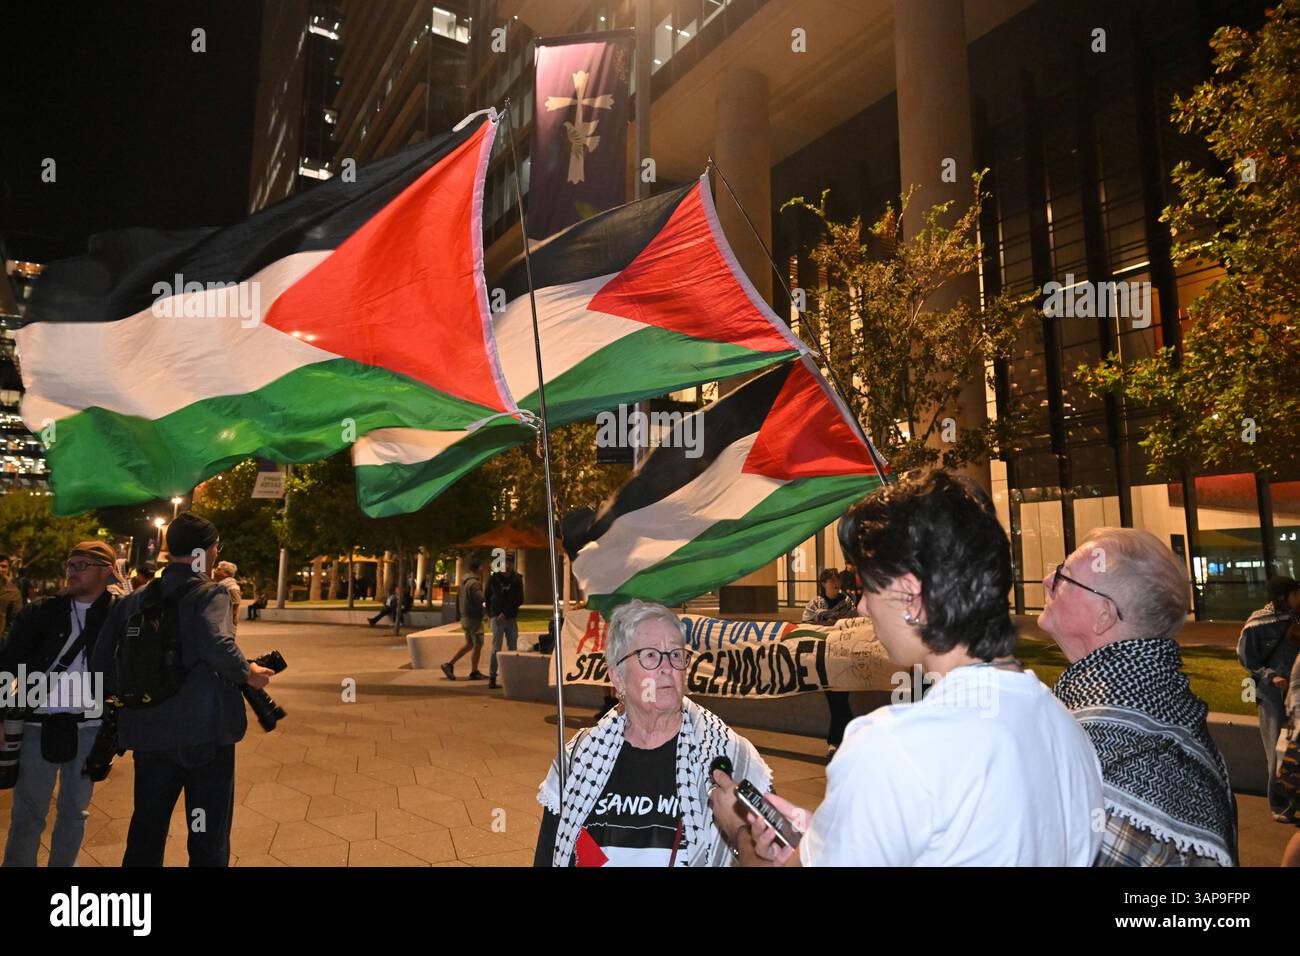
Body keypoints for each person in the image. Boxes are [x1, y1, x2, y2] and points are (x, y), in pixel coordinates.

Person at [714, 470, 1104, 866]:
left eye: (868, 587)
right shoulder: (1068, 730)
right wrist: (833, 835)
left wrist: (739, 833)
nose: (863, 607)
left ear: (910, 597)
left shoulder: (891, 745)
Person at [1041, 527, 1236, 866]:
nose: (1047, 580)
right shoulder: (1157, 708)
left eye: (1063, 576)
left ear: (1104, 614)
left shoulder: (1116, 746)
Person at [91, 512, 274, 867]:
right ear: (204, 553)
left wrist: (131, 700)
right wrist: (247, 672)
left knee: (147, 828)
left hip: (147, 733)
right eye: (215, 548)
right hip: (203, 736)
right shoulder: (211, 594)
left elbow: (102, 659)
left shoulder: (135, 600)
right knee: (206, 831)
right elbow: (218, 642)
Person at [534, 599, 773, 866]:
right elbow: (549, 856)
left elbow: (772, 854)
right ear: (617, 678)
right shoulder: (579, 759)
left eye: (676, 654)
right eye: (650, 655)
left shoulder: (730, 758)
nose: (667, 667)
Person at [0, 542, 120, 867]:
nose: (72, 571)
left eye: (82, 565)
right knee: (28, 813)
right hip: (38, 723)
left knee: (75, 813)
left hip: (90, 727)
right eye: (71, 564)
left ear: (106, 570)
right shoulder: (41, 611)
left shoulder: (119, 614)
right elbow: (7, 663)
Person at [1238, 576, 1300, 821]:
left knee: (1295, 749)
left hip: (1296, 695)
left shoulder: (1296, 617)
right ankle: (1278, 804)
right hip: (1272, 696)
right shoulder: (1257, 623)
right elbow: (1246, 659)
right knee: (1276, 749)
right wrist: (1270, 675)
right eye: (1296, 593)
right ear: (1283, 596)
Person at [803, 567, 857, 757]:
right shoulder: (814, 604)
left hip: (843, 657)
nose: (836, 584)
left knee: (840, 699)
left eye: (837, 580)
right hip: (824, 658)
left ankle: (835, 742)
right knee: (835, 700)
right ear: (823, 583)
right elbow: (805, 624)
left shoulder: (847, 603)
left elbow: (854, 624)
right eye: (832, 580)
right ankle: (848, 737)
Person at [442, 559, 486, 680]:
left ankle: (449, 664)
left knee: (469, 644)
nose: (483, 569)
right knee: (478, 644)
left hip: (465, 617)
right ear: (478, 568)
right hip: (474, 618)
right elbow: (481, 598)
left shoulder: (463, 582)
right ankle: (474, 671)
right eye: (482, 567)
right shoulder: (474, 583)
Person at [486, 553, 524, 690]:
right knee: (496, 647)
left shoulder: (517, 579)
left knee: (513, 646)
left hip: (511, 617)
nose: (506, 565)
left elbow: (519, 599)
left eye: (509, 562)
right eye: (504, 562)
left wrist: (506, 613)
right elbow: (488, 597)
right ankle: (492, 676)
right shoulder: (494, 579)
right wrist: (491, 615)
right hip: (497, 617)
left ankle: (513, 677)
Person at [212, 561, 241, 631]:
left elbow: (234, 611)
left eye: (219, 569)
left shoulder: (232, 588)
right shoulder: (218, 586)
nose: (215, 571)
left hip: (225, 628)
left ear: (226, 574)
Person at [0, 556, 23, 631]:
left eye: (3, 566)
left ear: (8, 569)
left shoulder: (13, 592)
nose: (0, 569)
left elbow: (15, 621)